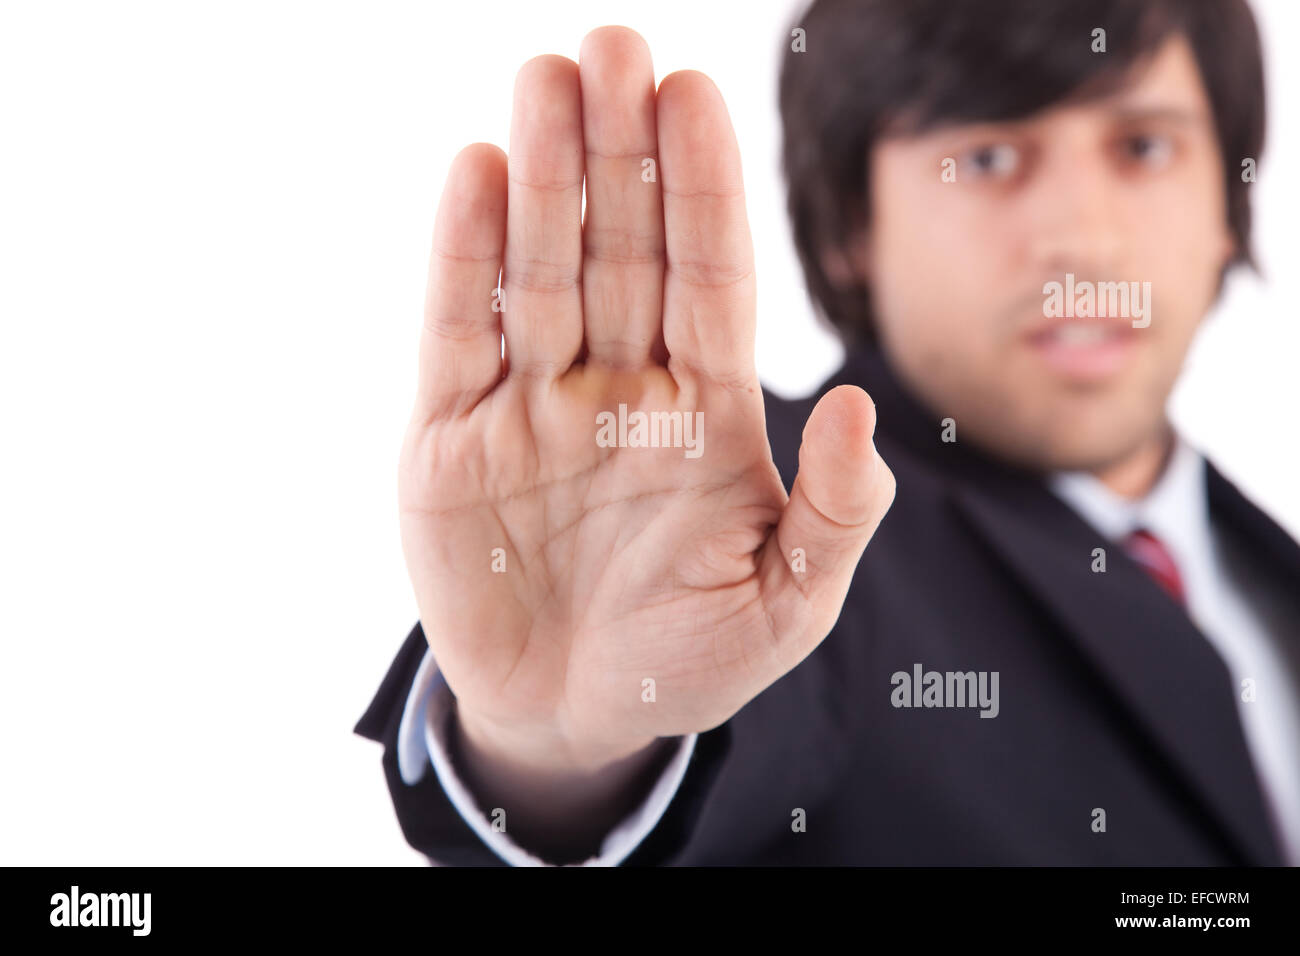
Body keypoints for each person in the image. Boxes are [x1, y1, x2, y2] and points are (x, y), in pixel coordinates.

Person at [355, 0, 1300, 865]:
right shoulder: (772, 515)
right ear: (852, 220)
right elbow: (731, 729)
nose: (1086, 242)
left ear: (1228, 201)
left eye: (1143, 148)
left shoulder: (1265, 570)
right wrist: (557, 752)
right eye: (988, 158)